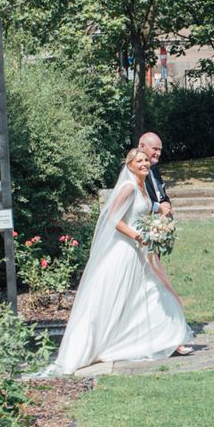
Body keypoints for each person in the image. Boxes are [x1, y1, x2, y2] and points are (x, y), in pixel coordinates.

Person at [49, 148, 192, 373]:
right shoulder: (127, 188)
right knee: (114, 298)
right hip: (124, 251)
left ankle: (168, 338)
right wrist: (137, 235)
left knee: (153, 292)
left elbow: (142, 215)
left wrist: (157, 227)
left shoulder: (142, 188)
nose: (145, 164)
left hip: (140, 250)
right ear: (130, 166)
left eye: (146, 160)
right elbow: (112, 218)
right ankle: (95, 344)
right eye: (140, 161)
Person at [139, 132, 172, 216]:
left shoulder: (154, 169)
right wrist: (159, 208)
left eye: (160, 149)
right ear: (142, 146)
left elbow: (162, 195)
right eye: (155, 149)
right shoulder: (133, 170)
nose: (159, 153)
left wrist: (166, 204)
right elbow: (139, 202)